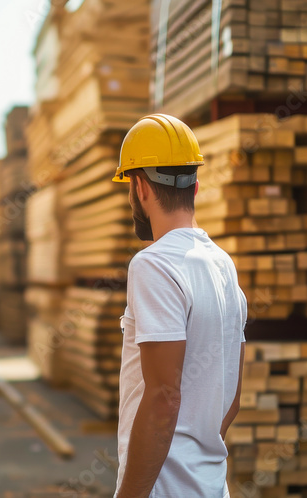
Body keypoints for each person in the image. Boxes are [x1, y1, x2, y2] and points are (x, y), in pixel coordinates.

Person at [112, 114, 248, 498]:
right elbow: (232, 394)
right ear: (196, 186)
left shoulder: (153, 265)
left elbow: (164, 397)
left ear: (140, 187)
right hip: (210, 487)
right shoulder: (223, 266)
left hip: (166, 489)